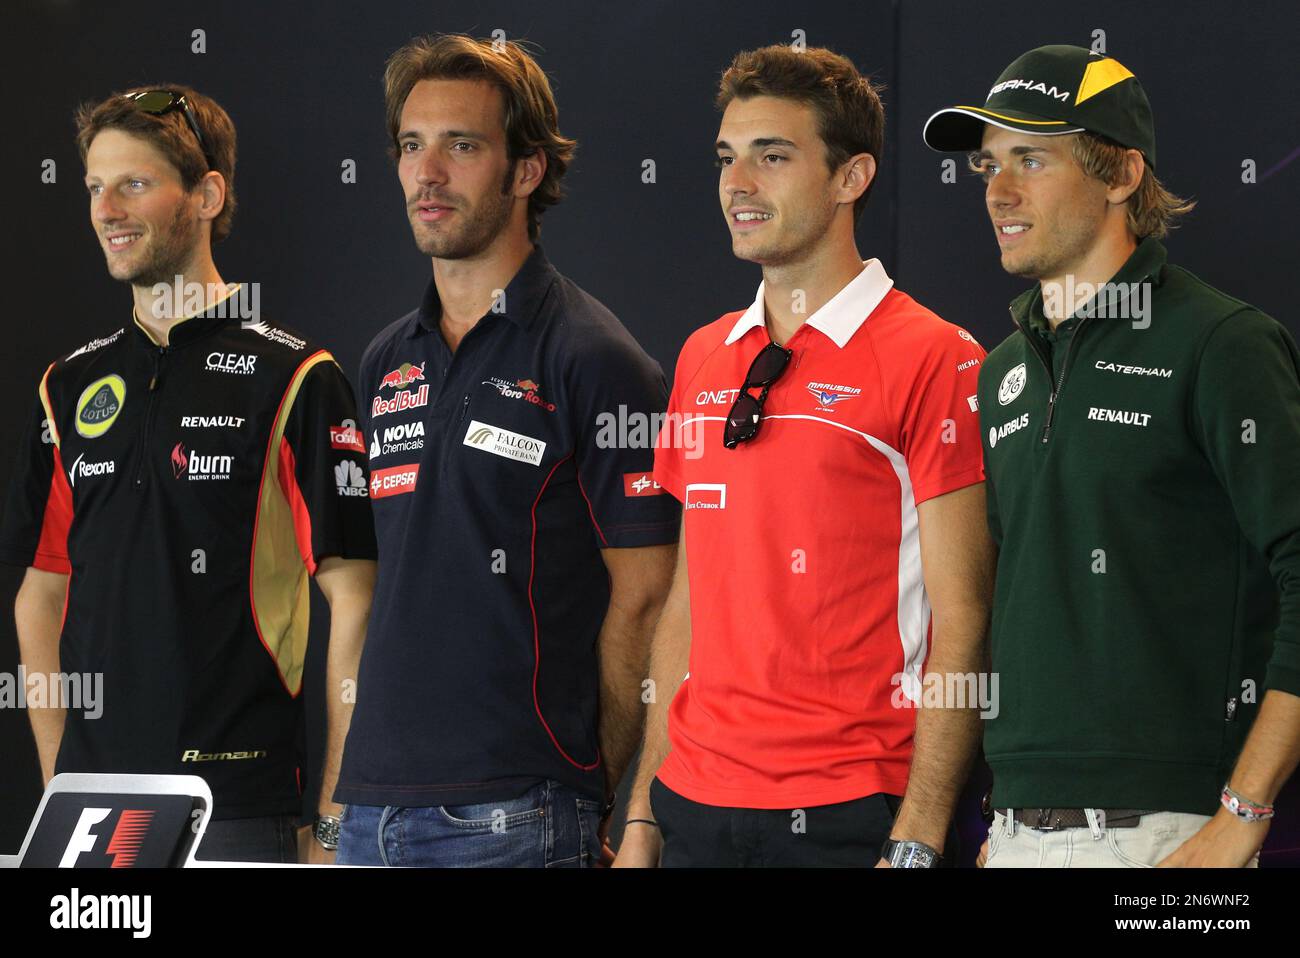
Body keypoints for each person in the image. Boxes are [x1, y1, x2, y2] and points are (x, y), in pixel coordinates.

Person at [614, 45, 993, 868]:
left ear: (852, 177)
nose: (737, 184)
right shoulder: (702, 354)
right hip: (693, 806)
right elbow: (686, 600)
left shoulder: (939, 356)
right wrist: (643, 813)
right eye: (727, 157)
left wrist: (921, 836)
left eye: (772, 157)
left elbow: (965, 620)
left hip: (853, 812)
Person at [923, 43, 1300, 867]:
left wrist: (1244, 809)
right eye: (989, 166)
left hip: (1171, 834)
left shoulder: (1222, 343)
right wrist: (1009, 821)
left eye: (1031, 159)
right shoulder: (1002, 373)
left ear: (1122, 174)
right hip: (1017, 832)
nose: (999, 192)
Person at [0, 85, 377, 863]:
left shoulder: (298, 375)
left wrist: (337, 825)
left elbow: (356, 599)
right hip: (91, 819)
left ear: (207, 194)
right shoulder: (65, 388)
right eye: (94, 187)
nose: (107, 208)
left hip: (236, 810)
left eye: (133, 183)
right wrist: (59, 785)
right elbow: (40, 594)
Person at [333, 35, 680, 868]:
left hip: (516, 815)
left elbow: (650, 599)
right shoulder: (387, 358)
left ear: (526, 171)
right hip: (369, 811)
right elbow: (376, 592)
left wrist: (588, 777)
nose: (428, 173)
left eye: (462, 145)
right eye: (412, 145)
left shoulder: (594, 357)